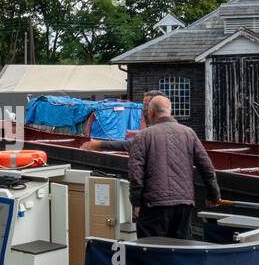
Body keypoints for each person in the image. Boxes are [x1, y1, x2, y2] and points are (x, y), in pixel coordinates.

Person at [127, 95, 221, 239]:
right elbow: (206, 167)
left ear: (152, 113)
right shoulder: (189, 133)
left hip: (153, 204)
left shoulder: (143, 136)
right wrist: (213, 195)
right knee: (181, 248)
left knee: (152, 249)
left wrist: (136, 203)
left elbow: (135, 173)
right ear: (170, 111)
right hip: (184, 203)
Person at [83, 89, 161, 152]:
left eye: (147, 105)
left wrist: (98, 144)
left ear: (156, 106)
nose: (144, 108)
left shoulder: (159, 128)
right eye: (144, 104)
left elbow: (135, 143)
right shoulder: (154, 123)